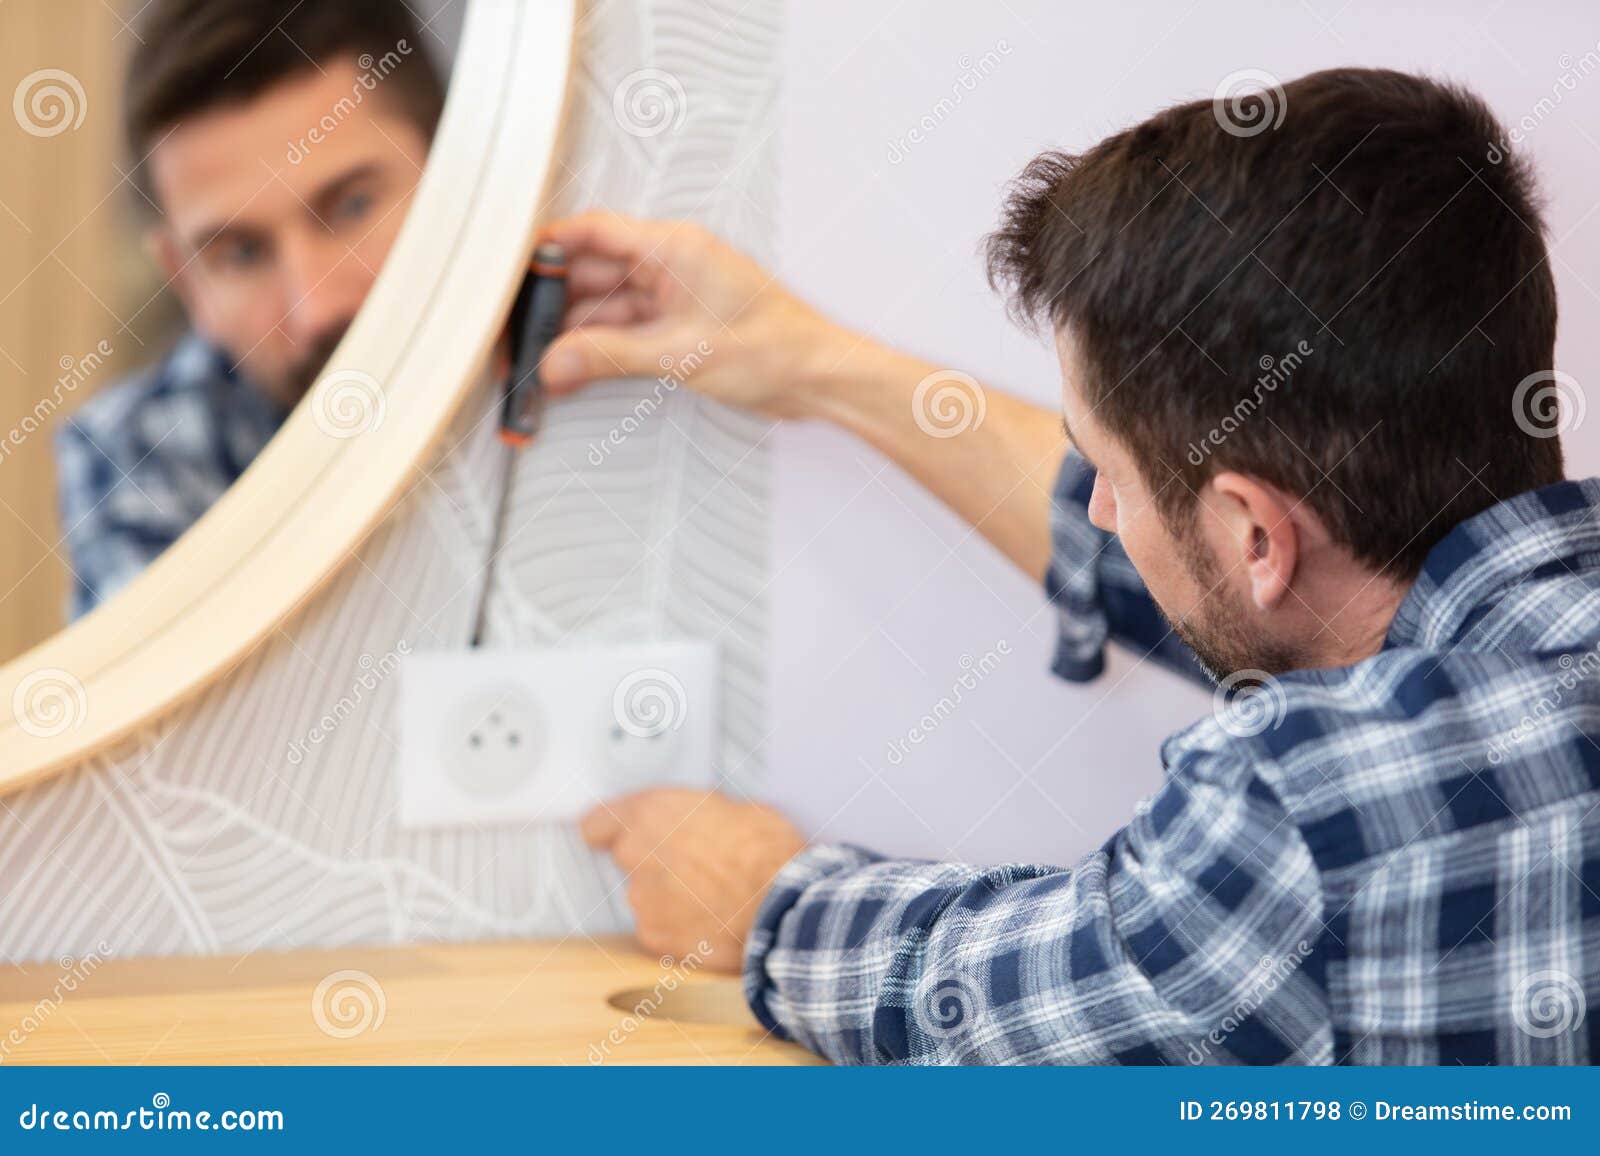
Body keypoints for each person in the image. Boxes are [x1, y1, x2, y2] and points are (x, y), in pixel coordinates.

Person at [558, 69, 1600, 1064]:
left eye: (1107, 473)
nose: (1099, 510)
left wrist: (760, 900)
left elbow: (992, 1001)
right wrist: (812, 364)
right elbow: (1277, 594)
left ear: (1255, 536)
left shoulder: (1306, 808)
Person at [55, 0, 443, 618]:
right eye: (240, 253)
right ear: (188, 286)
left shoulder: (596, 340)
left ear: (462, 172)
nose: (314, 307)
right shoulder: (141, 451)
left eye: (351, 209)